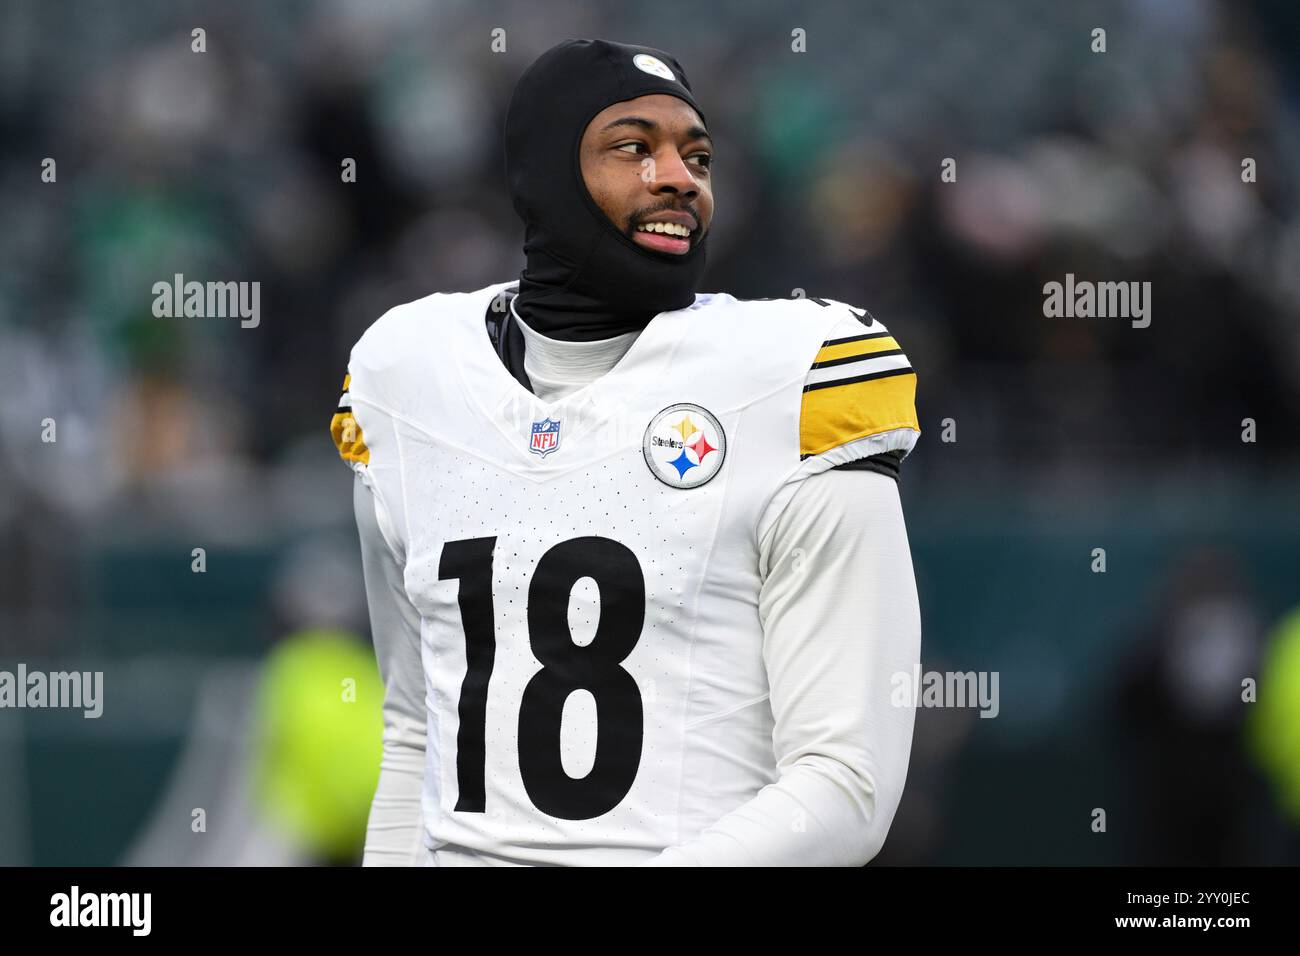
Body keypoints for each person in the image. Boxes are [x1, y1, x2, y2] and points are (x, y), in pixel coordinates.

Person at [330, 37, 922, 866]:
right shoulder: (409, 374)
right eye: (633, 147)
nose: (680, 177)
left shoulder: (794, 375)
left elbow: (845, 780)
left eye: (698, 153)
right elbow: (415, 731)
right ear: (543, 174)